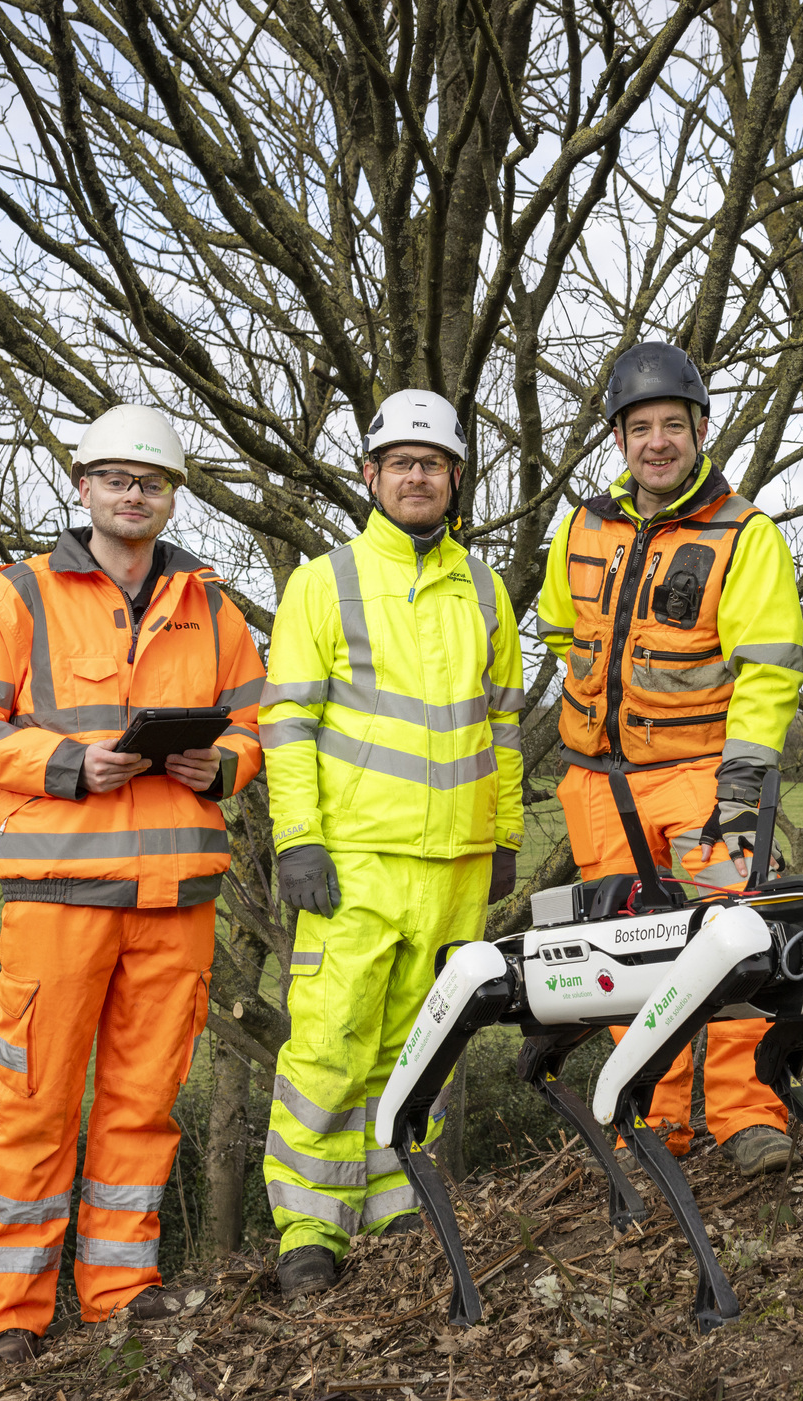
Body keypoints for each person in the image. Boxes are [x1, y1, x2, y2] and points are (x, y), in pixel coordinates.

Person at [0, 405, 266, 1363]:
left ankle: (121, 1291)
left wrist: (224, 766)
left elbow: (260, 722)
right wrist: (69, 764)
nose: (133, 495)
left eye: (150, 482)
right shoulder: (15, 597)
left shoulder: (210, 604)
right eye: (116, 478)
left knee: (143, 1104)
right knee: (35, 1109)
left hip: (175, 904)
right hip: (58, 902)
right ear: (83, 486)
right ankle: (13, 1322)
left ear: (171, 495)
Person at [259, 389, 526, 1300]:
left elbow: (504, 724)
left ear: (456, 479)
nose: (418, 476)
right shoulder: (322, 581)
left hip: (454, 865)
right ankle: (308, 1226)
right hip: (356, 861)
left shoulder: (486, 590)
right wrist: (297, 840)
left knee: (420, 1049)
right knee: (329, 1045)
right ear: (371, 475)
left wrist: (506, 835)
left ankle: (392, 1200)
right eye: (401, 462)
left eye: (435, 463)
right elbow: (286, 722)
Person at [535, 343, 803, 1179]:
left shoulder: (744, 533)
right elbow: (556, 626)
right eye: (639, 427)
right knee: (622, 958)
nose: (657, 441)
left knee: (734, 945)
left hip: (704, 778)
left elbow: (769, 667)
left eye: (672, 425)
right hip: (598, 784)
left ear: (699, 429)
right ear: (618, 437)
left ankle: (745, 1113)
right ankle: (652, 1115)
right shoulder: (582, 528)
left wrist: (743, 784)